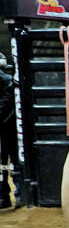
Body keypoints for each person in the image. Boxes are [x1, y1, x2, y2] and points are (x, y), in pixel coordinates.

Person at [0, 53, 17, 209]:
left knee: (7, 162)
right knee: (4, 163)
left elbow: (6, 105)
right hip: (6, 127)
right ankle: (4, 196)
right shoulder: (7, 81)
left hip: (6, 128)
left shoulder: (6, 81)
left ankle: (6, 196)